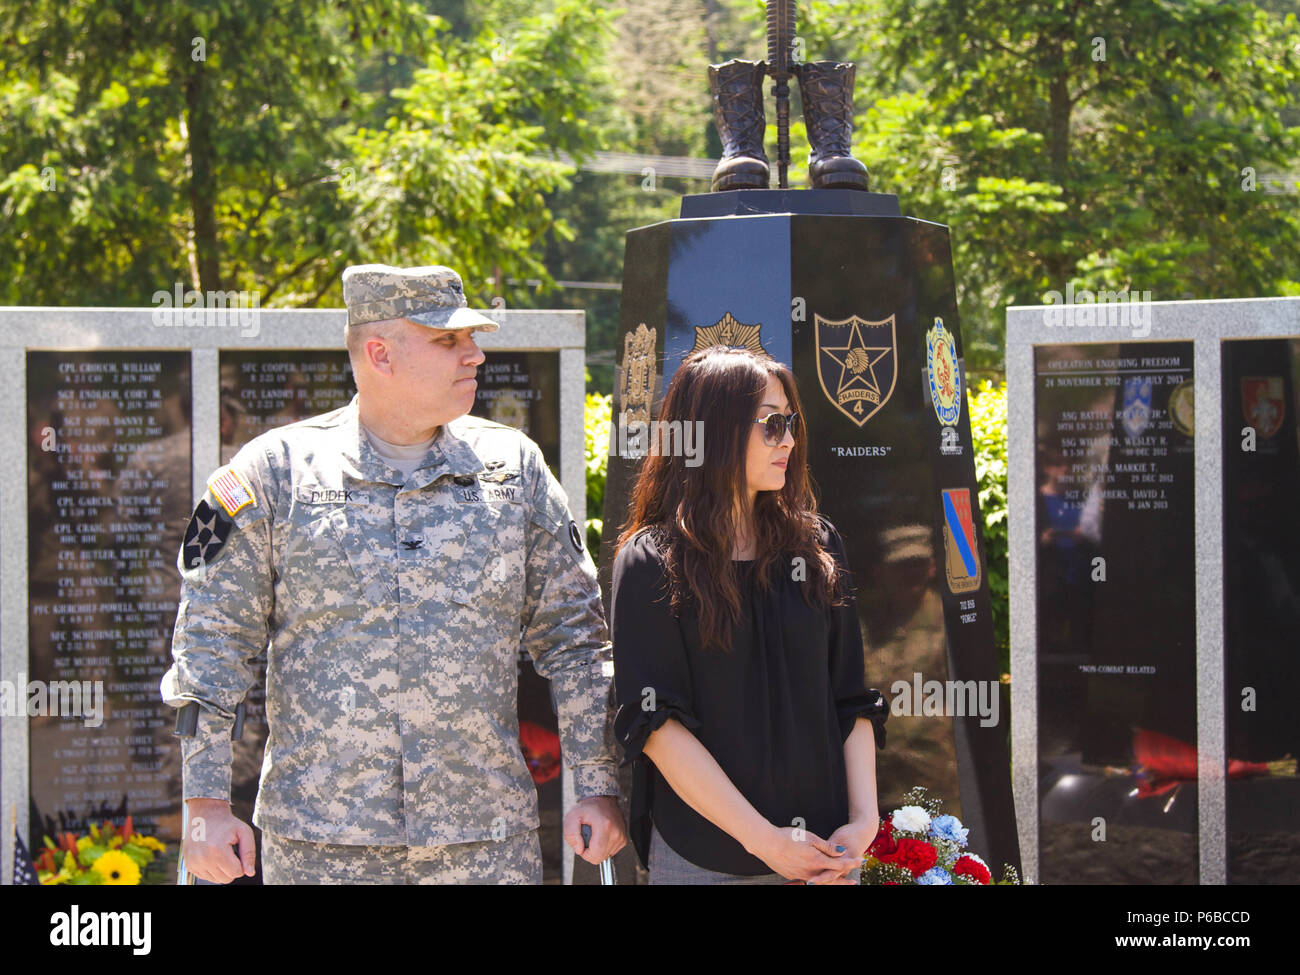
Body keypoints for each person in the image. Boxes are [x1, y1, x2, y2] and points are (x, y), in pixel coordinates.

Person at [160, 263, 626, 884]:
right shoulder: (276, 474)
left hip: (483, 846)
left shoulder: (512, 469)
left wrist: (597, 786)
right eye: (447, 340)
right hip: (322, 847)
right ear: (379, 353)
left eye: (473, 338)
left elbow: (576, 639)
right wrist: (205, 805)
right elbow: (211, 646)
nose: (476, 355)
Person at [611, 345, 887, 885]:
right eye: (770, 424)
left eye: (791, 422)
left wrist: (863, 821)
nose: (788, 439)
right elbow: (656, 726)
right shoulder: (650, 562)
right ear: (713, 433)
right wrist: (765, 841)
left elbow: (851, 697)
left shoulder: (816, 545)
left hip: (825, 856)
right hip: (707, 857)